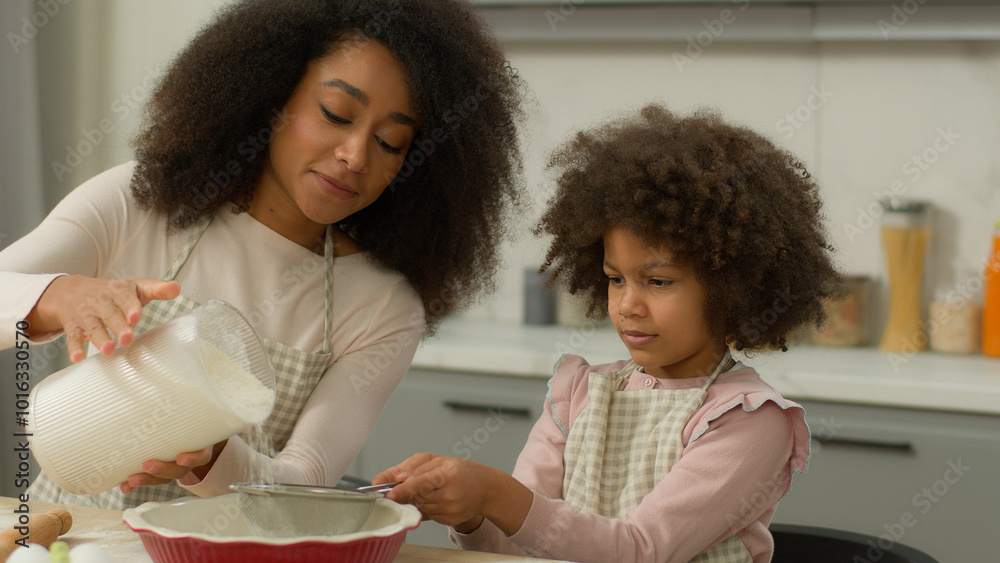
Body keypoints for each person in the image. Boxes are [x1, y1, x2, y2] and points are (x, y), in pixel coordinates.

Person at [0, 0, 524, 510]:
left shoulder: (383, 307)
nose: (355, 155)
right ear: (271, 97)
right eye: (336, 114)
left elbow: (305, 483)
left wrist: (208, 458)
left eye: (390, 142)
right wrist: (58, 294)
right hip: (66, 536)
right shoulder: (140, 203)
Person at [374, 104, 843, 562]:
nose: (627, 305)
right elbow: (517, 549)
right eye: (615, 278)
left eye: (658, 282)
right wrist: (473, 512)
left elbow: (641, 551)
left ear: (732, 288)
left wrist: (495, 493)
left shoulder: (748, 420)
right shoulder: (577, 394)